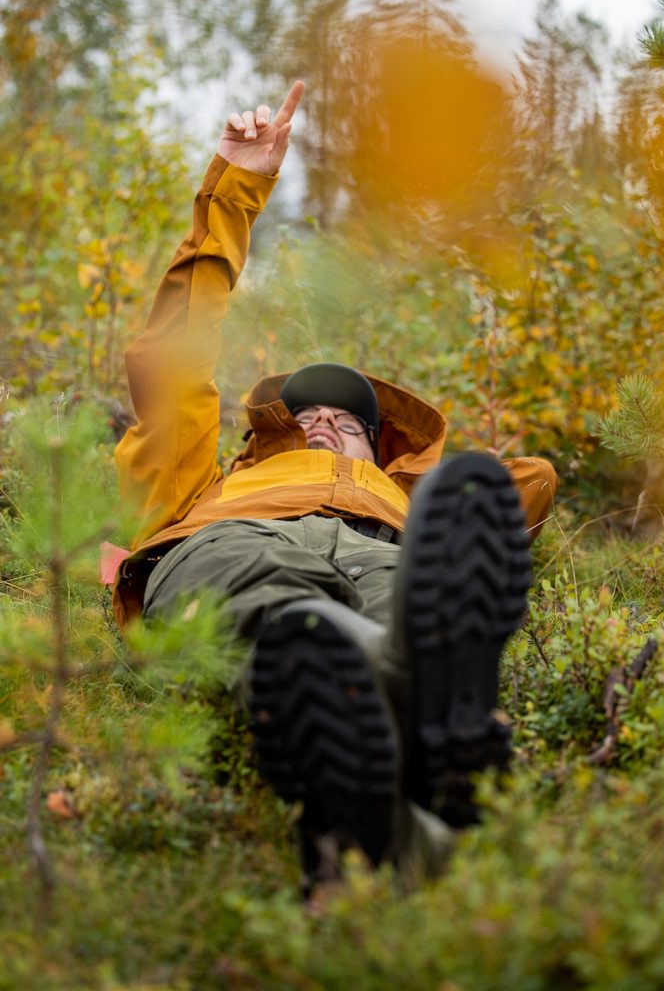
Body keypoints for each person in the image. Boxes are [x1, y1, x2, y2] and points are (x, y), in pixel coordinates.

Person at [112, 81, 558, 892]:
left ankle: (382, 810)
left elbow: (524, 485)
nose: (321, 417)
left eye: (345, 416)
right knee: (284, 621)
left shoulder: (407, 495)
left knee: (411, 612)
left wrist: (409, 480)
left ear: (383, 442)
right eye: (302, 414)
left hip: (386, 549)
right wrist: (234, 186)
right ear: (265, 435)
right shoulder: (204, 479)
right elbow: (173, 352)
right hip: (234, 539)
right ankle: (402, 733)